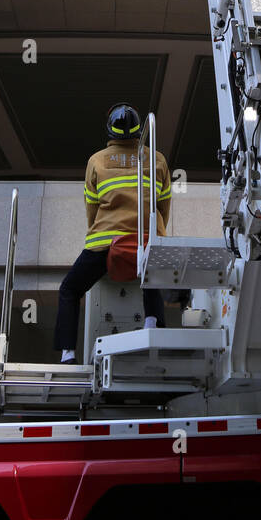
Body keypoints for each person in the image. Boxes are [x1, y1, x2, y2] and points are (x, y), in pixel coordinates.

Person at [54, 103, 171, 363]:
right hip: (147, 240)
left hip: (105, 241)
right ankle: (151, 324)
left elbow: (91, 209)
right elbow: (163, 206)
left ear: (110, 131)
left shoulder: (96, 161)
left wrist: (98, 235)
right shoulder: (158, 159)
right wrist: (156, 234)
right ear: (140, 132)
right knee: (151, 276)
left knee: (69, 290)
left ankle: (67, 353)